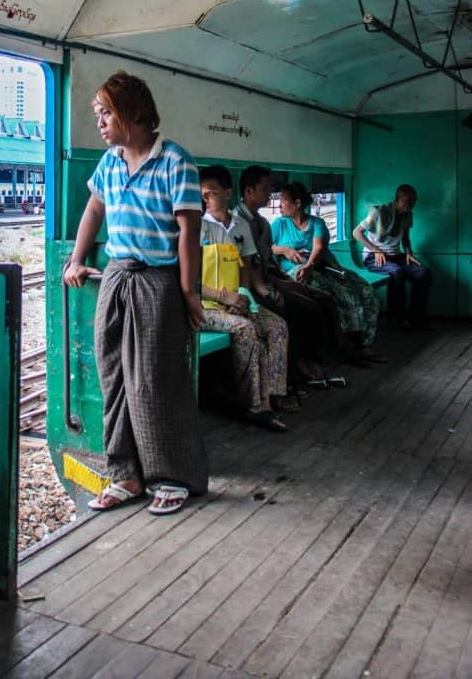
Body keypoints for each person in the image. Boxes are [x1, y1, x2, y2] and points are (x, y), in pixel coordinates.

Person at [64, 71, 208, 515]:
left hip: (156, 281)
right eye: (98, 114)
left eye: (106, 113)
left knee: (154, 380)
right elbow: (94, 209)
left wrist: (188, 292)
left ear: (133, 112)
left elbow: (189, 232)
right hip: (116, 276)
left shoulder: (174, 162)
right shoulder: (110, 163)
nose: (101, 123)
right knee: (115, 379)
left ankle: (172, 475)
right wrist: (76, 258)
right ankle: (124, 472)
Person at [199, 165, 291, 432]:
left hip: (235, 299)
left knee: (276, 326)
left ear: (228, 193)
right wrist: (225, 298)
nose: (205, 198)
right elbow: (189, 279)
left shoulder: (241, 225)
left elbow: (247, 268)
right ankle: (252, 404)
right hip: (205, 303)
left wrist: (254, 293)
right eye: (202, 193)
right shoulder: (196, 226)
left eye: (211, 192)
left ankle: (273, 395)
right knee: (246, 330)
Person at [234, 166, 342, 388]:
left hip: (271, 278)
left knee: (322, 301)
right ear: (249, 191)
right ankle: (297, 368)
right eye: (265, 190)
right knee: (297, 309)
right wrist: (268, 288)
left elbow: (265, 260)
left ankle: (316, 360)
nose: (270, 195)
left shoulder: (261, 222)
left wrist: (282, 278)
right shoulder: (237, 222)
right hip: (252, 287)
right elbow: (247, 265)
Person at [271, 182, 382, 363]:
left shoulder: (317, 223)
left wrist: (309, 266)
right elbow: (268, 247)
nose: (280, 205)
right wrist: (284, 250)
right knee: (345, 297)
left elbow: (319, 247)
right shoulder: (279, 224)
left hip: (322, 267)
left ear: (297, 203)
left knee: (365, 290)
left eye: (283, 201)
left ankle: (364, 343)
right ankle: (349, 347)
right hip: (296, 271)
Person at [353, 184, 432, 330]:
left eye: (413, 202)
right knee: (397, 272)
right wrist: (375, 250)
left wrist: (408, 252)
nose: (411, 205)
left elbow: (405, 239)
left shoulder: (408, 215)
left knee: (424, 272)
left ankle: (416, 318)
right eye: (407, 201)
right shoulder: (378, 212)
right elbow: (356, 233)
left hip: (395, 256)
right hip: (373, 256)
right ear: (398, 200)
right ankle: (397, 319)